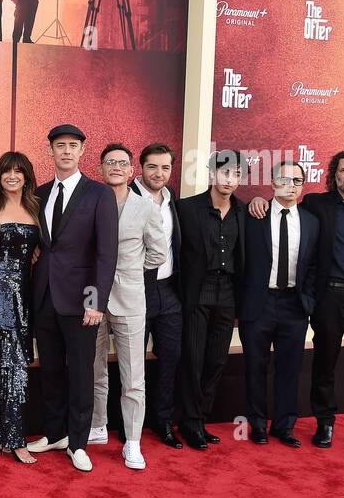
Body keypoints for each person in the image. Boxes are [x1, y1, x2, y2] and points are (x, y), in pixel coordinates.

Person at [248, 149, 344, 457]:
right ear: (334, 176)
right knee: (324, 364)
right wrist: (258, 200)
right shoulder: (317, 204)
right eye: (343, 170)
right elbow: (283, 205)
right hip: (330, 297)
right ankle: (325, 424)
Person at [26, 124, 118, 472]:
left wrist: (95, 302)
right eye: (60, 145)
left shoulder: (98, 194)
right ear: (50, 151)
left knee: (81, 373)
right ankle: (54, 434)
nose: (66, 151)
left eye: (73, 146)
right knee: (50, 370)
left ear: (82, 151)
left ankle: (78, 443)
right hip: (45, 296)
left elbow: (106, 255)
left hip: (82, 301)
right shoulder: (40, 192)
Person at [88, 143, 166, 470]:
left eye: (122, 163)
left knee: (133, 374)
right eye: (110, 162)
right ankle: (97, 426)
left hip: (131, 296)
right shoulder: (90, 201)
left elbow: (158, 253)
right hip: (92, 295)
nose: (116, 167)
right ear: (102, 168)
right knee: (93, 366)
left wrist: (128, 271)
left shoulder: (145, 207)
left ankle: (132, 441)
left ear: (131, 170)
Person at [239, 158, 318, 447]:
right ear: (273, 183)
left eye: (297, 181)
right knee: (255, 367)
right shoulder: (253, 214)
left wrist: (307, 300)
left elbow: (313, 267)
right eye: (284, 180)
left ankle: (284, 426)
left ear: (302, 186)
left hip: (294, 306)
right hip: (258, 304)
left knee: (290, 368)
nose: (291, 186)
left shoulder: (311, 221)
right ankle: (257, 425)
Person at [177, 150, 247, 450]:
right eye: (223, 172)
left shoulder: (244, 211)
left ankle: (201, 419)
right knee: (193, 359)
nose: (229, 179)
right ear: (211, 174)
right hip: (197, 291)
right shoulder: (187, 209)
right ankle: (190, 423)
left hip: (228, 292)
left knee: (216, 360)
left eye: (235, 174)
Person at [0, 151, 40, 462]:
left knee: (13, 365)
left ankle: (0, 430)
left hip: (25, 292)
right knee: (14, 366)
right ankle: (15, 438)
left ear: (27, 176)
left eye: (18, 171)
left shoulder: (35, 206)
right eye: (6, 171)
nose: (12, 176)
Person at [130, 144, 183, 449]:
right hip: (136, 290)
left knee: (170, 360)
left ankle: (163, 422)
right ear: (141, 167)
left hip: (169, 292)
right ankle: (130, 424)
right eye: (153, 167)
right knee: (133, 362)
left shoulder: (172, 199)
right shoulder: (125, 195)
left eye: (165, 168)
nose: (159, 173)